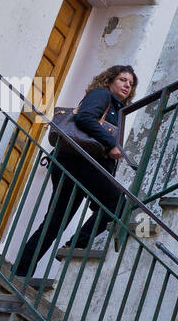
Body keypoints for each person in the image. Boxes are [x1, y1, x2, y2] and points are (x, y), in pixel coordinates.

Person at [11, 65, 136, 280]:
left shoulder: (116, 109)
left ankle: (20, 272)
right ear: (109, 80)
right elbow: (85, 118)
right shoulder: (101, 95)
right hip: (78, 162)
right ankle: (77, 243)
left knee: (54, 222)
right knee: (117, 203)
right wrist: (110, 143)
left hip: (76, 164)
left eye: (131, 83)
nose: (127, 85)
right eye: (122, 80)